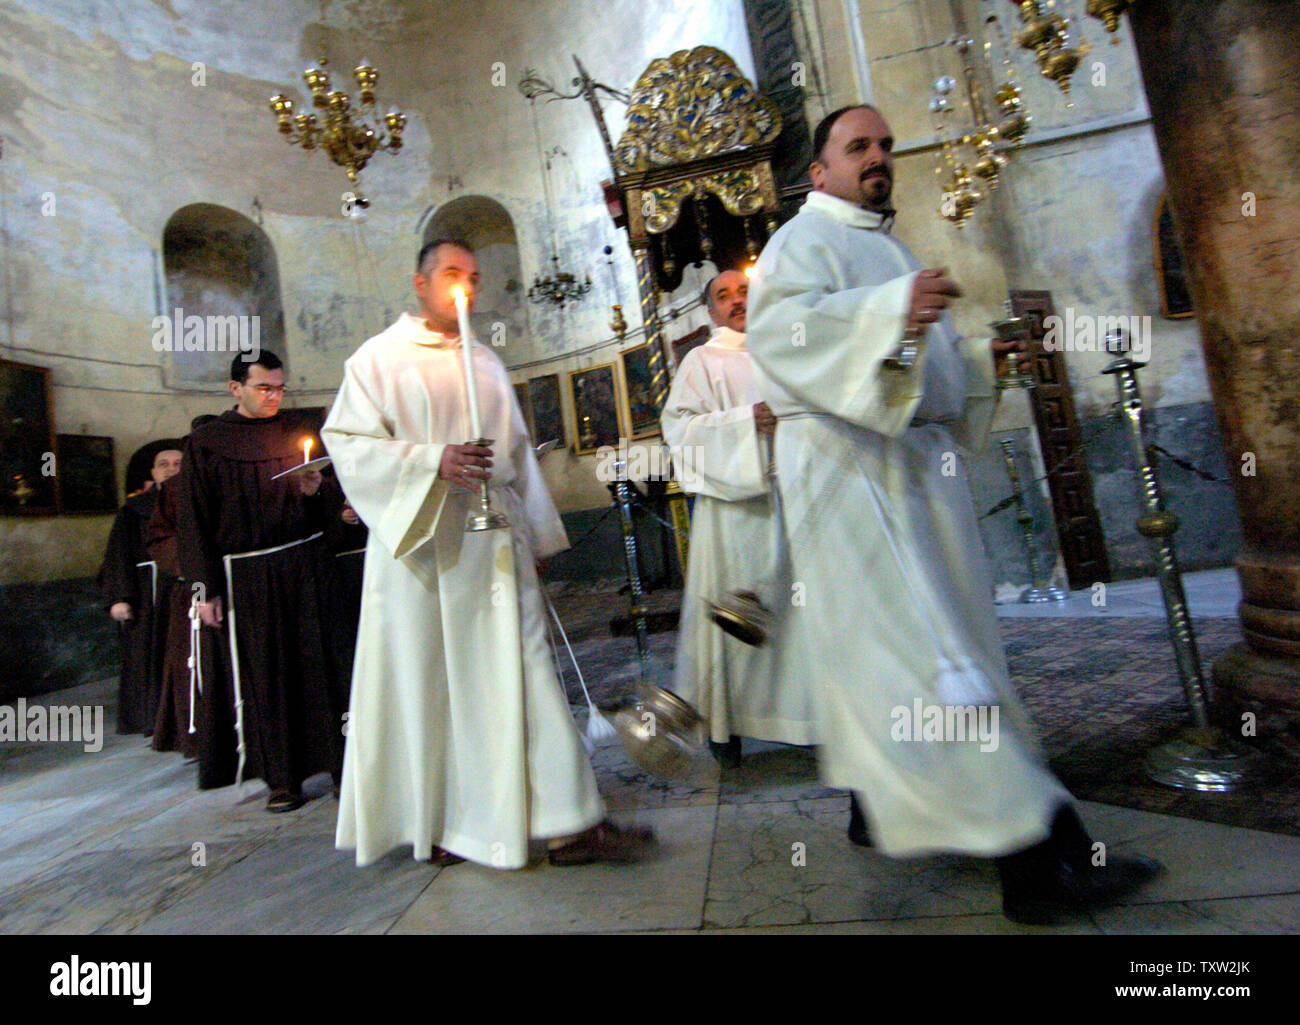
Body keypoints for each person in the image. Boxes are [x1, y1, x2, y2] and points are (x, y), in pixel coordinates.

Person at [745, 104, 1160, 924]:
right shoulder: (801, 242)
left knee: (926, 652)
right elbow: (783, 336)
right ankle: (1037, 864)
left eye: (885, 146)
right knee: (931, 664)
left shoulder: (887, 245)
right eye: (858, 147)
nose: (878, 157)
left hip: (910, 475)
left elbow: (912, 367)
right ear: (818, 171)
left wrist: (973, 363)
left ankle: (879, 807)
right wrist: (886, 312)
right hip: (856, 479)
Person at [324, 237, 652, 869]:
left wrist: (538, 535)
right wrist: (431, 461)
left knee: (529, 674)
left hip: (498, 542)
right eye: (452, 274)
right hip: (425, 551)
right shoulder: (377, 360)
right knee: (436, 684)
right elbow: (349, 445)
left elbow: (519, 456)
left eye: (473, 278)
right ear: (420, 283)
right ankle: (447, 824)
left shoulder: (486, 361)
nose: (466, 288)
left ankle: (570, 823)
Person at [179, 353, 348, 811]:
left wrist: (317, 491)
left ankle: (341, 765)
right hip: (249, 576)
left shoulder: (299, 431)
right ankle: (283, 778)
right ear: (236, 389)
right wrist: (204, 590)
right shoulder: (206, 443)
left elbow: (335, 499)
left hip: (308, 565)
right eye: (263, 388)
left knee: (324, 667)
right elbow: (193, 520)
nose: (274, 396)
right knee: (267, 675)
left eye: (279, 388)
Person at [660, 268, 812, 767]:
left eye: (744, 291)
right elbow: (678, 431)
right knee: (732, 619)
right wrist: (745, 423)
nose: (736, 301)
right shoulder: (702, 360)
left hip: (793, 501)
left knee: (799, 615)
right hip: (730, 514)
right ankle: (728, 728)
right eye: (724, 296)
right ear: (711, 311)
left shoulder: (789, 351)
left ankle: (806, 717)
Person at [98, 440, 183, 734]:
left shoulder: (199, 503)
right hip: (148, 595)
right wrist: (119, 598)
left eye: (178, 464)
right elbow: (117, 555)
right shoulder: (133, 511)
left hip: (186, 591)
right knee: (150, 657)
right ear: (153, 473)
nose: (171, 470)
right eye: (164, 465)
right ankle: (153, 720)